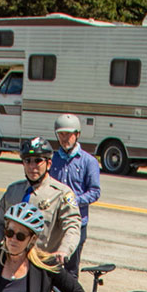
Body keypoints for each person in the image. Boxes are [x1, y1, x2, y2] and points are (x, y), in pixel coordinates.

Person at [0, 137, 81, 261]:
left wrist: (64, 250)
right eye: (27, 161)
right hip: (11, 260)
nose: (32, 166)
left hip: (42, 262)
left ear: (48, 164)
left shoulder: (61, 194)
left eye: (38, 161)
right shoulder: (13, 191)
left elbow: (72, 226)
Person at [47, 114, 102, 268]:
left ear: (77, 134)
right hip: (54, 223)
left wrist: (73, 201)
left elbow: (95, 191)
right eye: (61, 134)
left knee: (70, 269)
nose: (65, 139)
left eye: (69, 134)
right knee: (50, 265)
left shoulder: (88, 161)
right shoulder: (52, 160)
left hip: (77, 223)